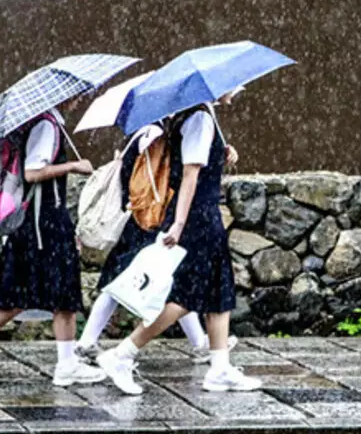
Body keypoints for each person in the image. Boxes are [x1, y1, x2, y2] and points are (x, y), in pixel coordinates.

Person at [94, 90, 257, 395]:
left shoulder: (192, 114)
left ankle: (220, 368)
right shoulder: (199, 117)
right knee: (183, 297)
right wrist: (179, 224)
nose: (238, 90)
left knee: (218, 289)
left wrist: (220, 151)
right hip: (198, 219)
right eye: (235, 87)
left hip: (204, 216)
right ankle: (122, 353)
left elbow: (191, 162)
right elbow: (190, 176)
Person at [0, 106, 108, 387]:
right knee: (62, 292)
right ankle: (66, 365)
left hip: (36, 221)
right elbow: (32, 172)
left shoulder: (40, 124)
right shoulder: (46, 126)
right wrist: (73, 166)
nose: (78, 100)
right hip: (44, 224)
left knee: (19, 294)